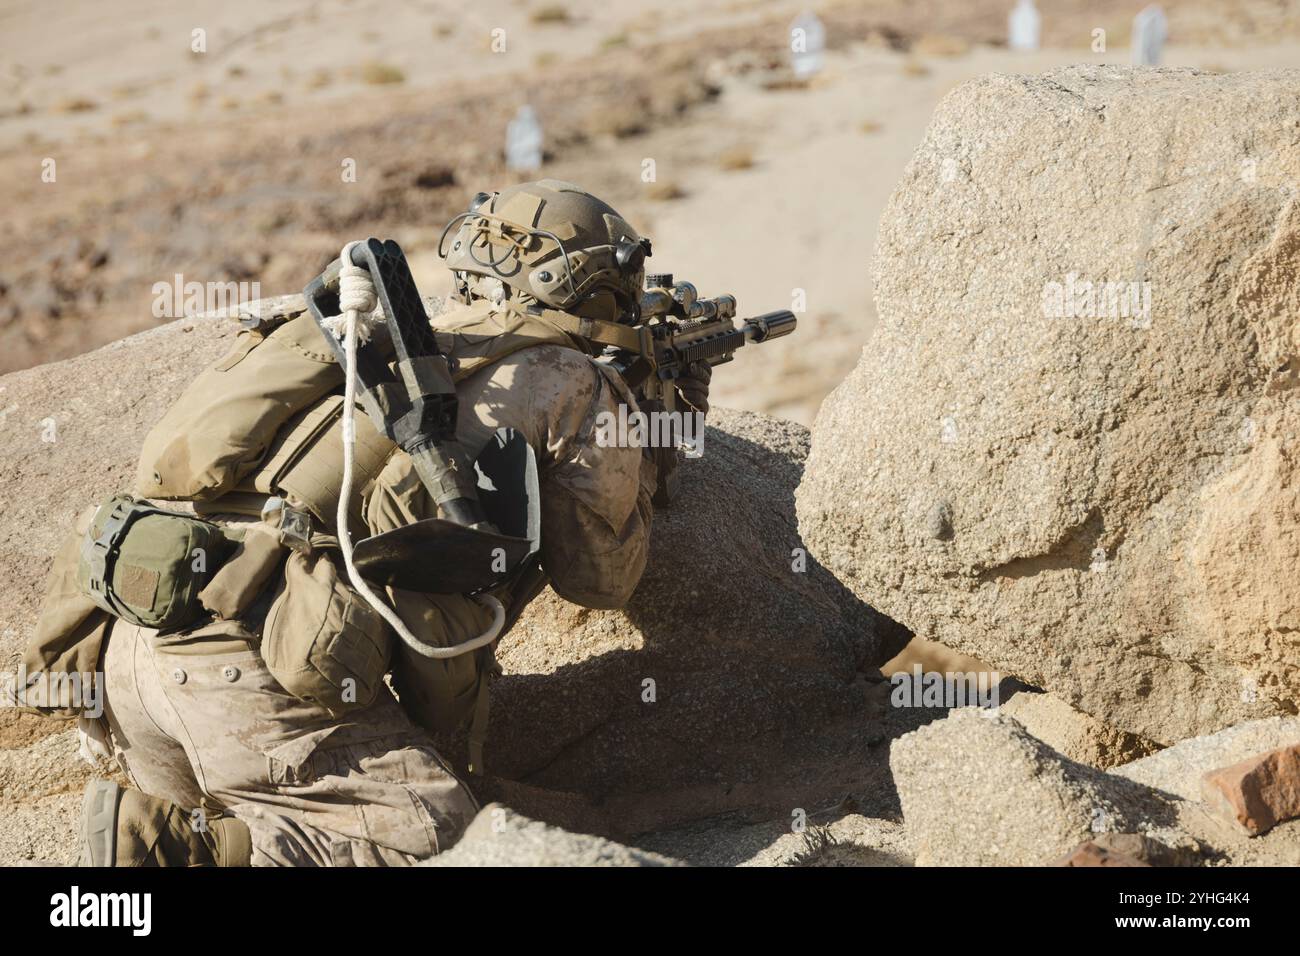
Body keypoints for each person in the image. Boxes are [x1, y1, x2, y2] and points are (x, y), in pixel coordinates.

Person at [24, 180, 711, 866]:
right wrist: (647, 445)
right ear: (593, 285)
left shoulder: (394, 341)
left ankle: (193, 832)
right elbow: (601, 582)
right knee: (446, 844)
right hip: (255, 670)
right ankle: (180, 850)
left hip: (133, 646)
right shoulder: (569, 378)